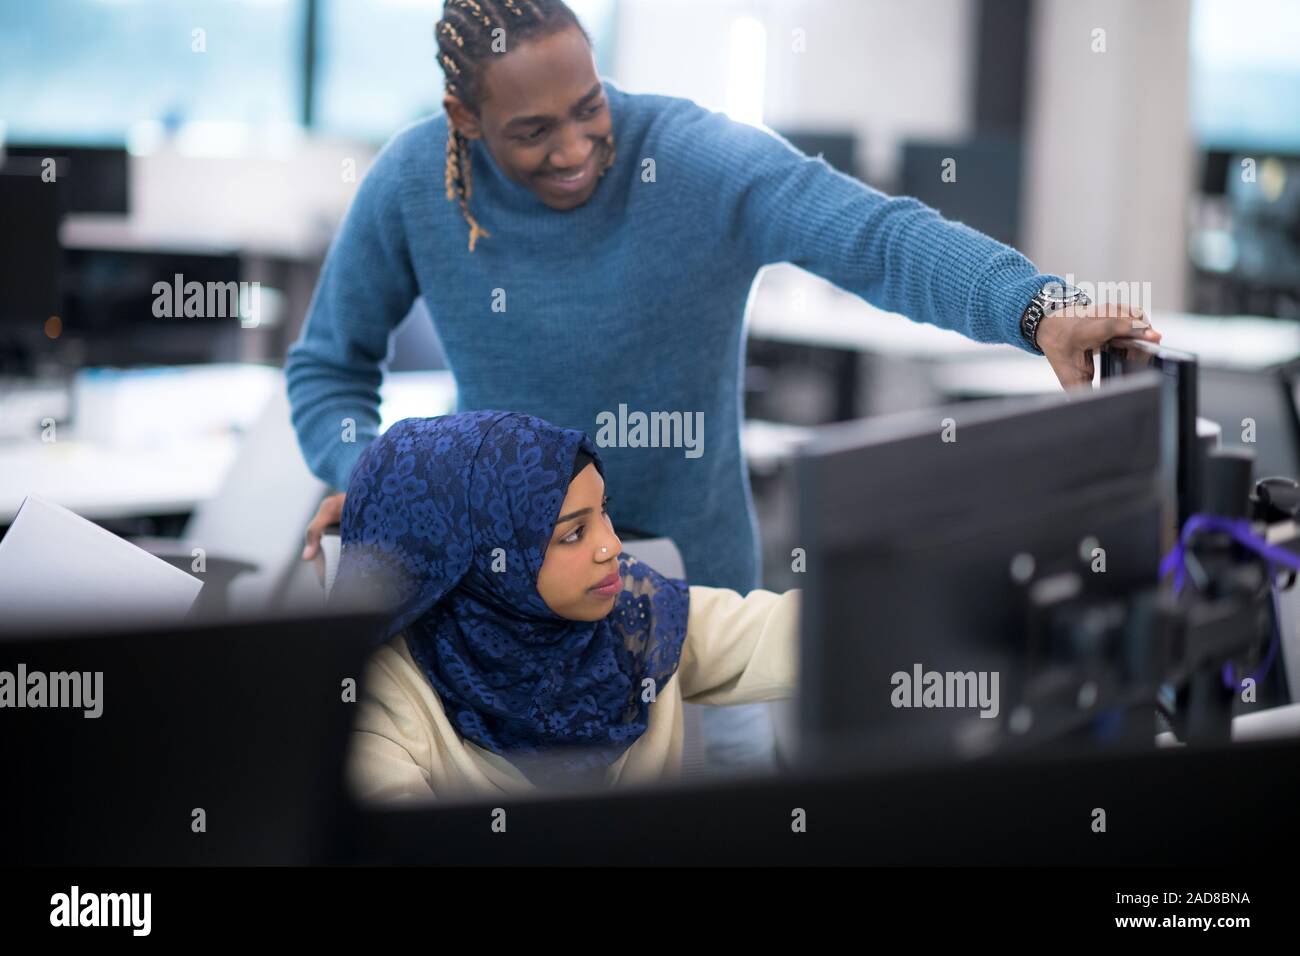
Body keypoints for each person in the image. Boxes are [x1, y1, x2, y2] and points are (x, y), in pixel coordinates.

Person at [287, 0, 1160, 766]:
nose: (578, 147)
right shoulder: (413, 181)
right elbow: (329, 366)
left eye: (589, 108)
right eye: (533, 131)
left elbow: (876, 236)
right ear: (464, 117)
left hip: (703, 619)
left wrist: (1037, 306)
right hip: (501, 626)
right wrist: (374, 477)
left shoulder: (693, 159)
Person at [336, 411, 798, 803]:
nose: (612, 545)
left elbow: (798, 633)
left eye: (604, 511)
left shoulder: (637, 617)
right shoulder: (382, 698)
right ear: (482, 563)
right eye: (573, 534)